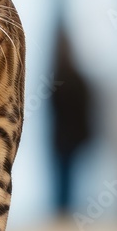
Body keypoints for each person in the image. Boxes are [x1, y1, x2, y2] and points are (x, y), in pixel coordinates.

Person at [50, 24, 94, 217]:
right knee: (67, 178)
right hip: (70, 137)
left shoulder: (62, 76)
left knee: (65, 179)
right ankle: (64, 214)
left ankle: (64, 214)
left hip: (66, 137)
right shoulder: (74, 76)